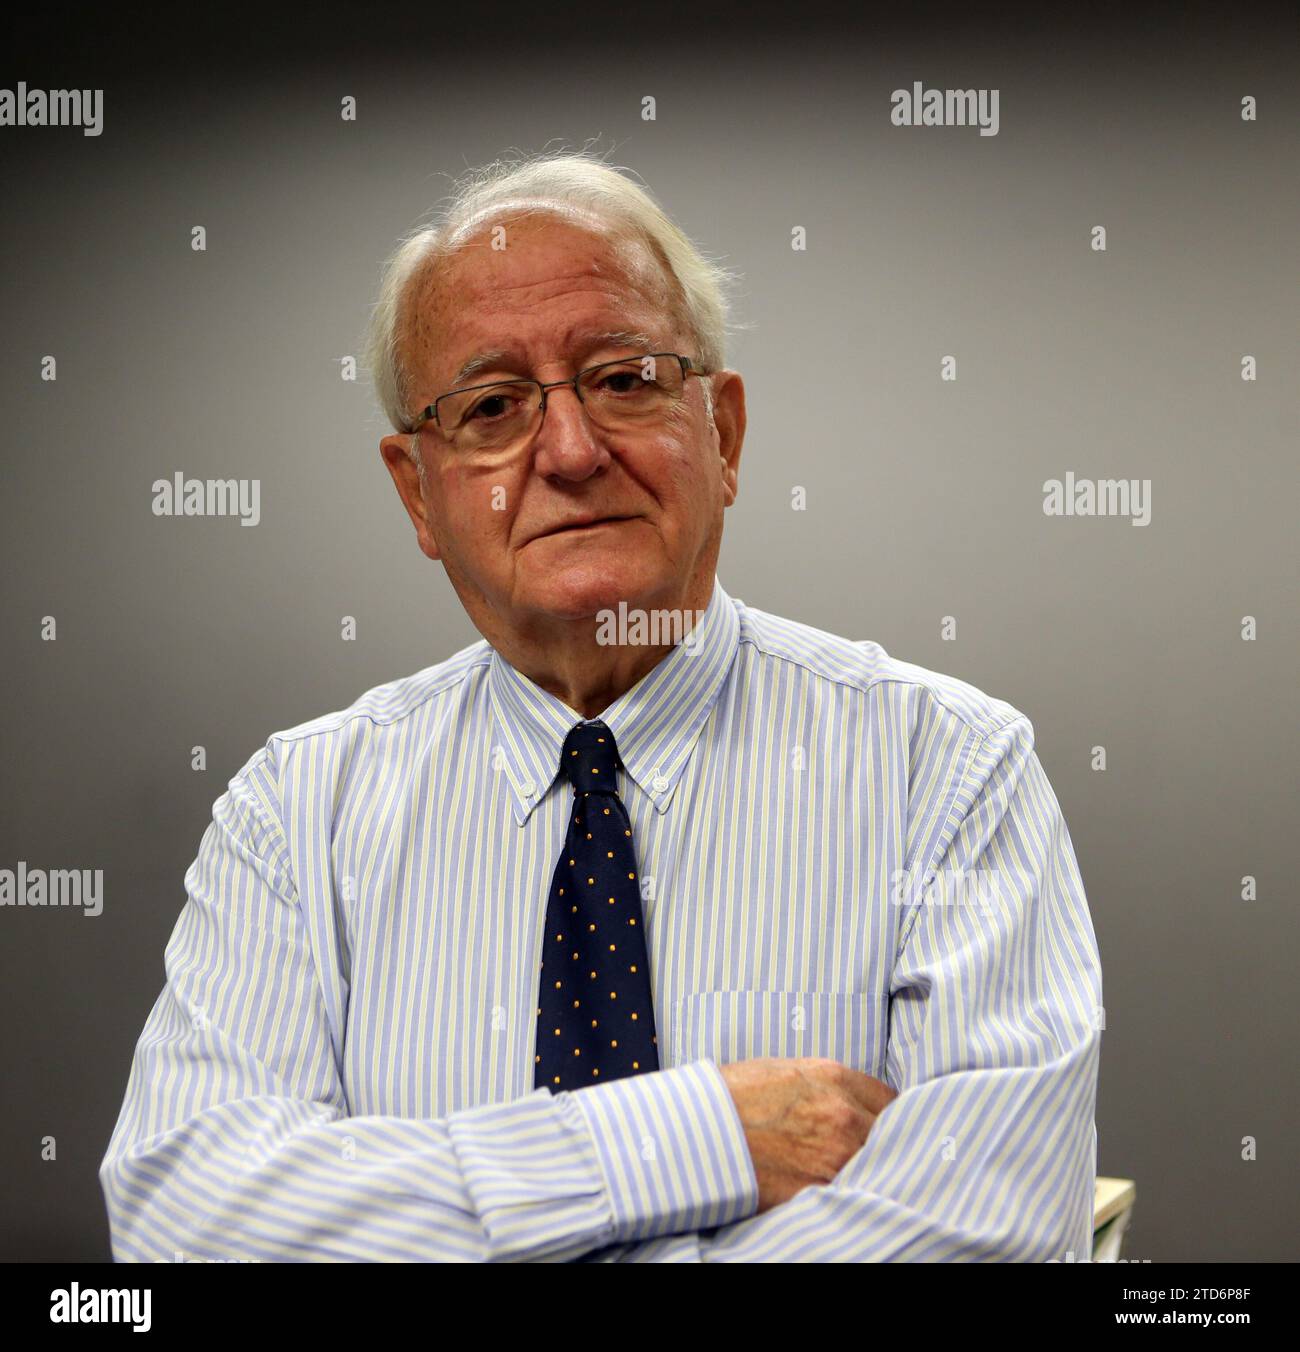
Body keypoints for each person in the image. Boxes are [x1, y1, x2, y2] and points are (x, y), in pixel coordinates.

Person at [100, 152, 1102, 1262]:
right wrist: (692, 1135)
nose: (571, 451)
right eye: (490, 407)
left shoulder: (946, 770)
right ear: (415, 491)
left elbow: (984, 1230)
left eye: (623, 379)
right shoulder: (294, 812)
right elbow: (187, 1220)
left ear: (722, 432)